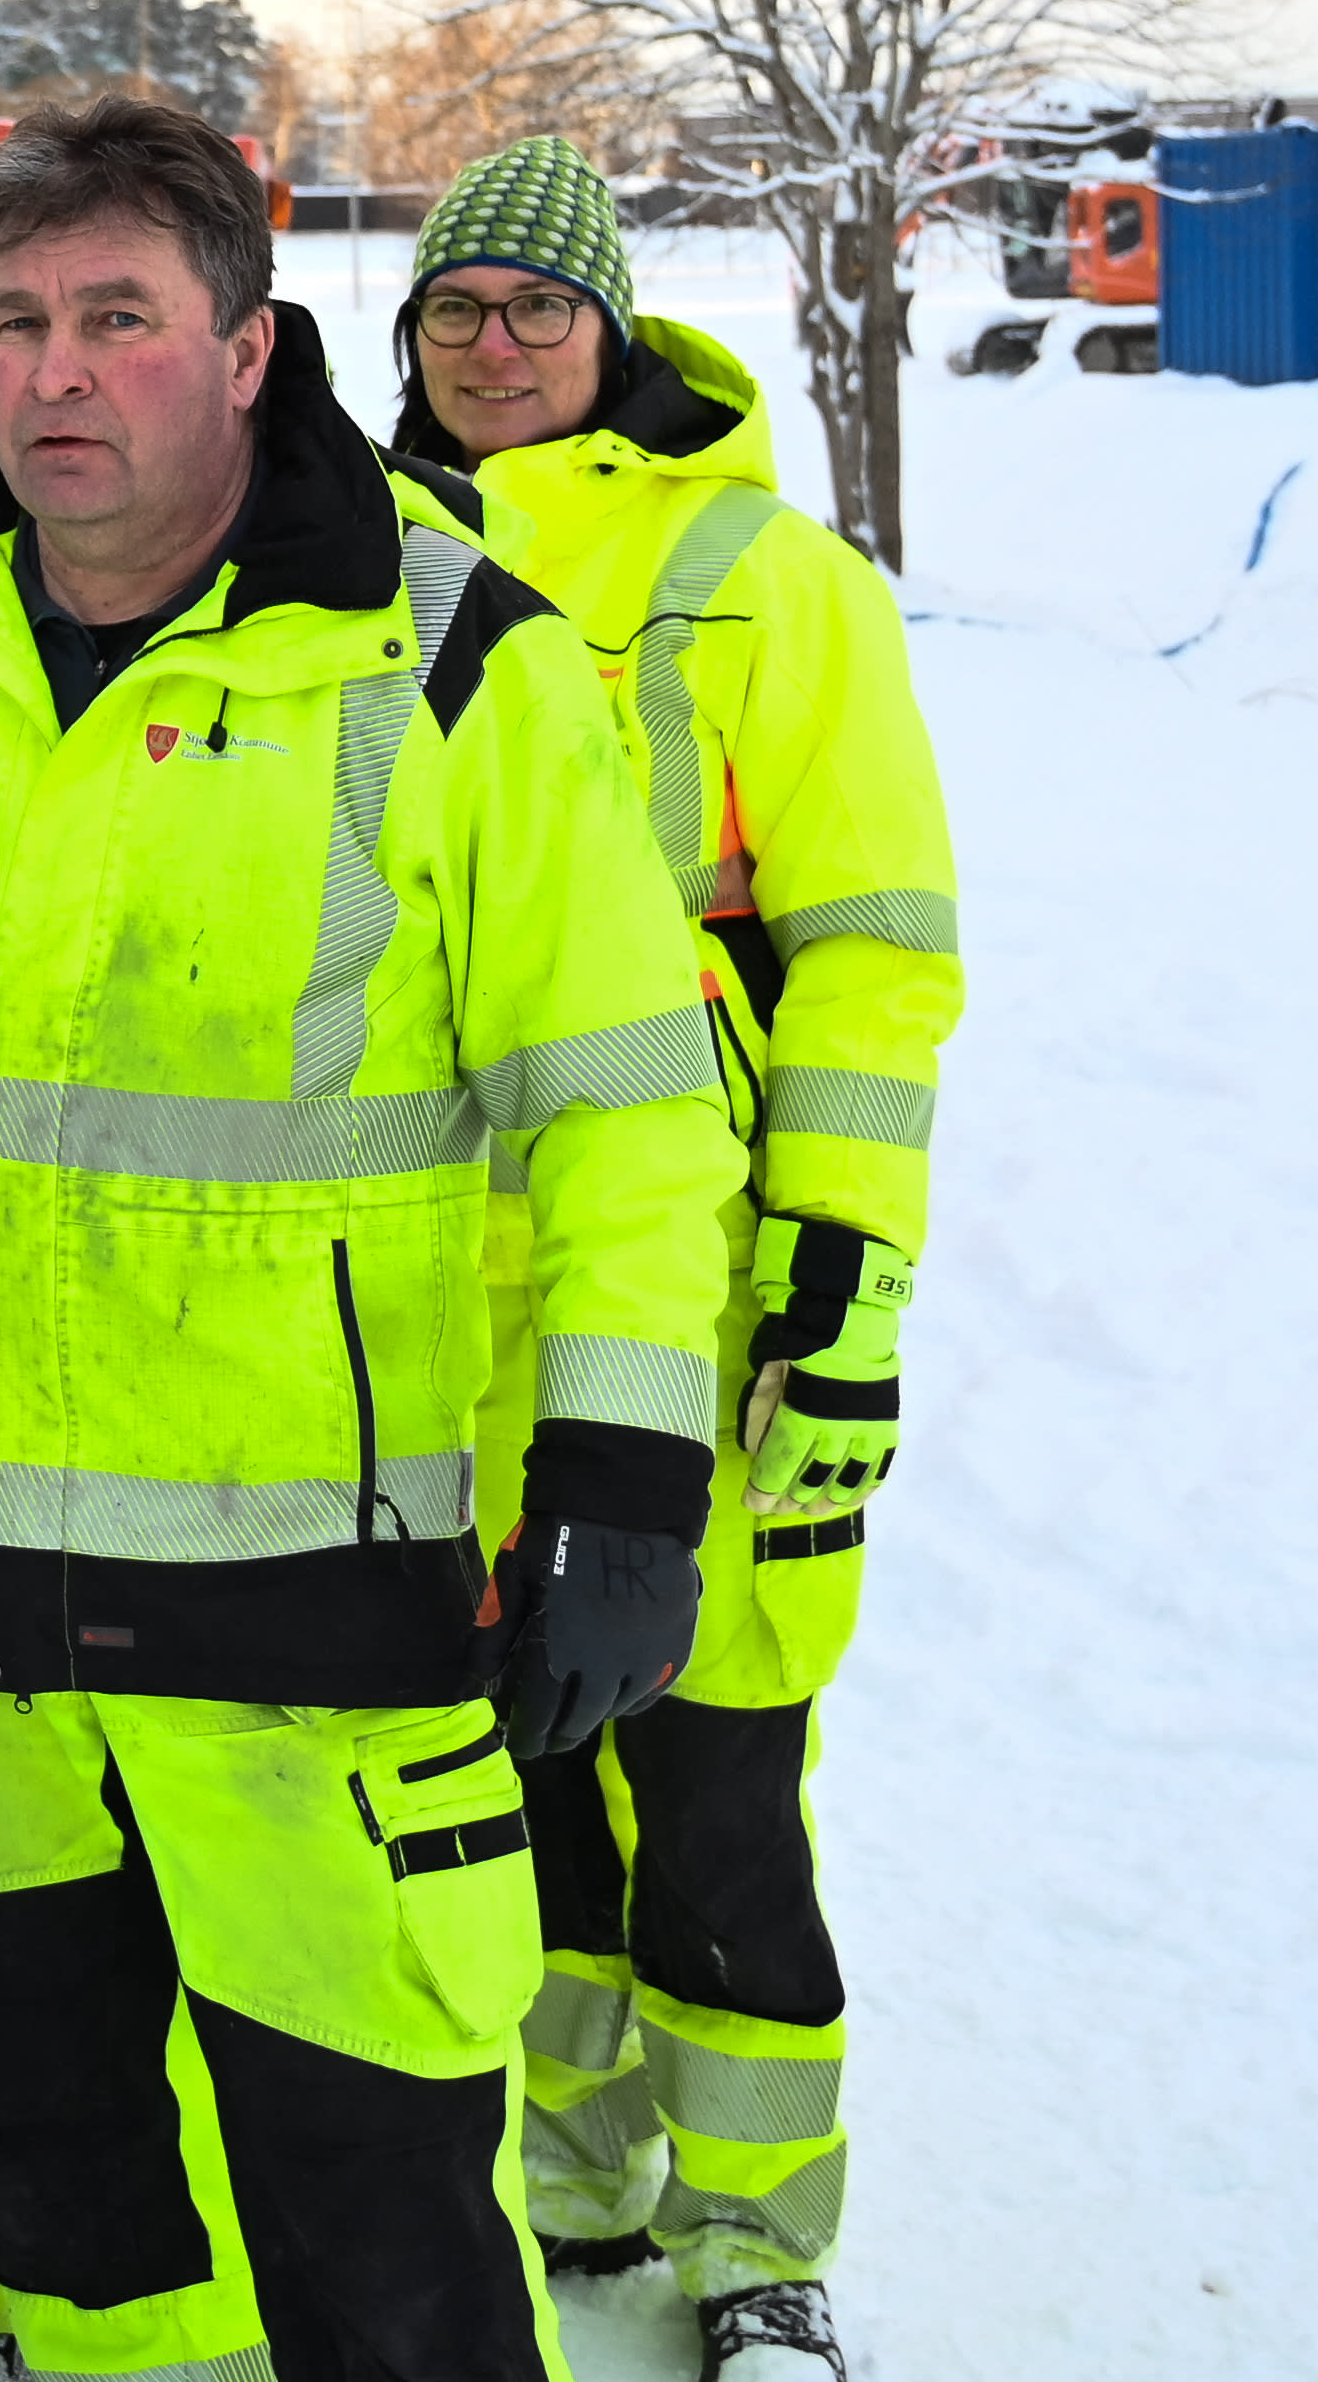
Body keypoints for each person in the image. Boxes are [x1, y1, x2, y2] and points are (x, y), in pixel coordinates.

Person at [0, 93, 742, 2382]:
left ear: (248, 348)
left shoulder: (450, 673)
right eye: (14, 317)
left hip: (314, 1633)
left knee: (385, 2237)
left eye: (119, 318)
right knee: (68, 2206)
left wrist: (630, 1474)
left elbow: (632, 1115)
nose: (51, 372)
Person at [387, 137, 961, 2382]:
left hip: (692, 1279)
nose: (498, 342)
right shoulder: (356, 560)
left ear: (611, 324)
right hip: (429, 1282)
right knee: (498, 1763)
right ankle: (564, 2177)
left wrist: (843, 1267)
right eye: (457, 308)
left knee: (718, 1777)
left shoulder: (773, 578)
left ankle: (756, 2237)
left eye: (537, 304)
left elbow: (879, 961)